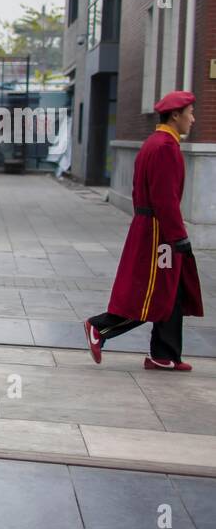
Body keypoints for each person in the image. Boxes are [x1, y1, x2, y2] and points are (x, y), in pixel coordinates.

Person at [84, 90, 204, 370]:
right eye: (190, 113)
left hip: (154, 229)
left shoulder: (157, 143)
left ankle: (164, 355)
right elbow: (165, 199)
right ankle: (99, 328)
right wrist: (178, 236)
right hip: (158, 234)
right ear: (176, 115)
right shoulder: (164, 147)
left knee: (170, 290)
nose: (193, 119)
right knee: (154, 293)